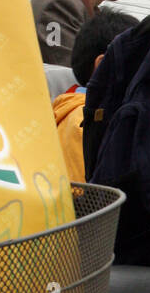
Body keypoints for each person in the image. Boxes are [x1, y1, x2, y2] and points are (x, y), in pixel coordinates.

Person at [51, 10, 138, 180]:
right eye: (139, 60)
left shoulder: (73, 111)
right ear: (103, 66)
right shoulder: (84, 123)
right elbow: (87, 199)